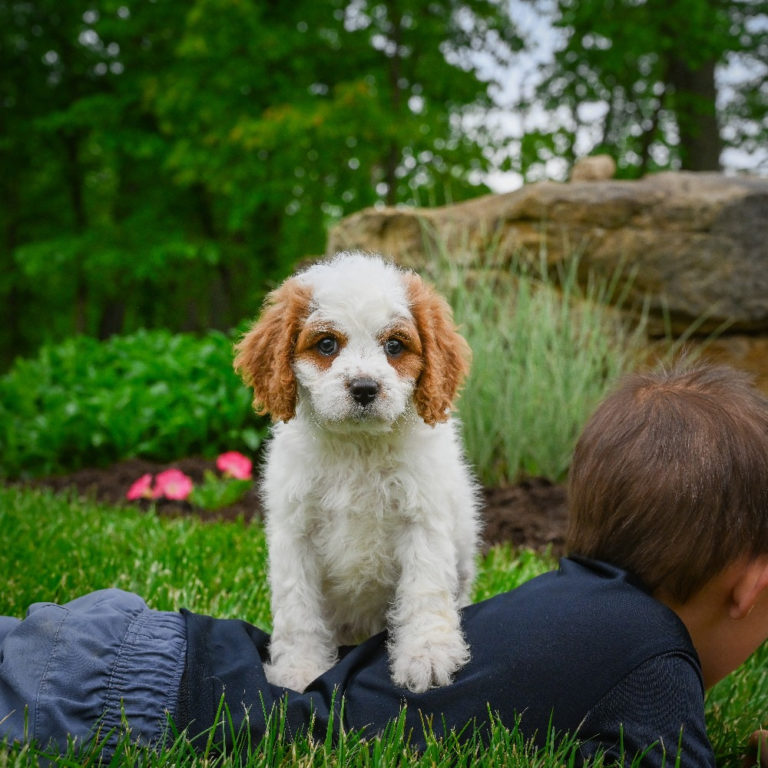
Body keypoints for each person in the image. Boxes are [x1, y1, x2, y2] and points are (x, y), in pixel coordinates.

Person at [2, 363, 768, 766]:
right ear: (750, 586)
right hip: (141, 704)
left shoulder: (568, 599)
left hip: (165, 655)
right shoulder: (658, 665)